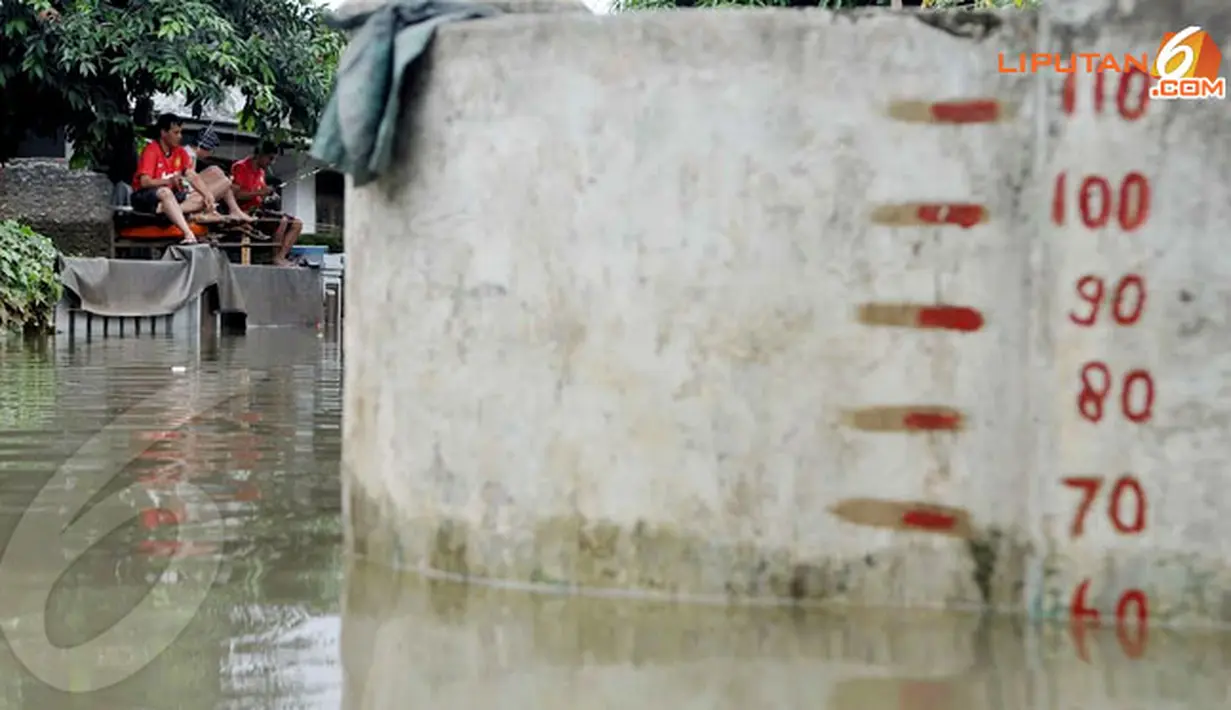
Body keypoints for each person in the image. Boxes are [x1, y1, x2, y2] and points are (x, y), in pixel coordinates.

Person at [130, 114, 252, 244]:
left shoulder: (179, 152)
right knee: (165, 192)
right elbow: (145, 182)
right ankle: (188, 233)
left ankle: (174, 210)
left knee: (201, 194)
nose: (180, 136)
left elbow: (191, 175)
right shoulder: (151, 150)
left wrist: (207, 194)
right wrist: (169, 181)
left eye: (180, 132)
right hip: (148, 197)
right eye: (176, 133)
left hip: (173, 197)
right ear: (163, 133)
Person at [231, 141, 304, 267]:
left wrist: (268, 194)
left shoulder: (261, 172)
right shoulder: (241, 167)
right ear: (260, 154)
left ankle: (281, 256)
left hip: (260, 211)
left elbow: (261, 193)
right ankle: (275, 258)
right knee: (282, 221)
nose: (271, 162)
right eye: (270, 158)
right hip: (245, 213)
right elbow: (235, 195)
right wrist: (259, 192)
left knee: (297, 224)